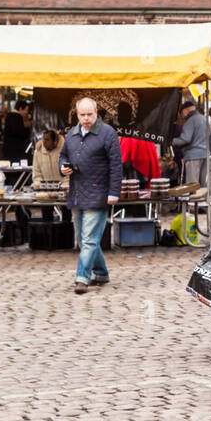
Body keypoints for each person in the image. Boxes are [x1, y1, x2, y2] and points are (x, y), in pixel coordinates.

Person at [60, 97, 122, 294]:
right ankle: (101, 273)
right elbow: (64, 155)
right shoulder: (72, 133)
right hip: (77, 193)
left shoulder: (108, 133)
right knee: (82, 238)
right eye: (82, 115)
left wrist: (114, 192)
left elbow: (116, 165)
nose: (86, 118)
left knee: (89, 240)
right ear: (76, 114)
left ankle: (82, 277)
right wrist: (63, 167)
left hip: (99, 192)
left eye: (89, 114)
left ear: (97, 112)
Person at [176, 98, 209, 186]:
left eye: (182, 113)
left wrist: (173, 141)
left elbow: (185, 139)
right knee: (203, 186)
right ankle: (203, 200)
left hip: (193, 156)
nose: (182, 116)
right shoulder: (204, 118)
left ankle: (194, 201)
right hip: (206, 154)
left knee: (192, 187)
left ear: (186, 110)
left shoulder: (190, 120)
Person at [2, 98, 31, 163]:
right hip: (15, 150)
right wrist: (26, 127)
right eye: (26, 110)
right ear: (20, 108)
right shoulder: (17, 117)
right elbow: (20, 133)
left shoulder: (10, 115)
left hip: (8, 149)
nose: (27, 112)